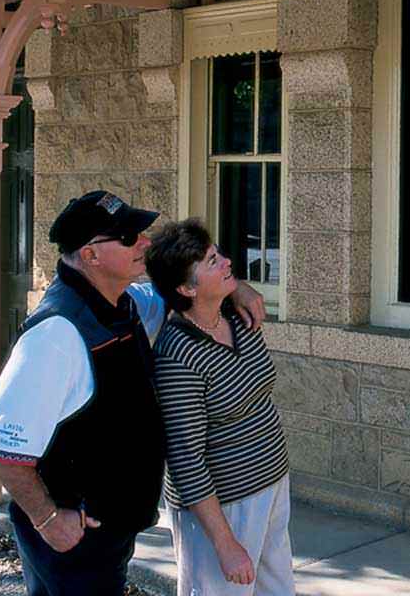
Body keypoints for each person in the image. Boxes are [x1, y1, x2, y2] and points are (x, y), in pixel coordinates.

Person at [0, 190, 266, 596]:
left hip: (110, 531)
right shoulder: (57, 333)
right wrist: (48, 521)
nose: (144, 242)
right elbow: (1, 444)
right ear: (91, 255)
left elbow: (180, 292)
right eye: (129, 237)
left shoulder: (124, 304)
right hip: (75, 538)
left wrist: (237, 288)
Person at [146, 218, 294, 596]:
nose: (227, 261)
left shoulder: (237, 316)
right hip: (224, 506)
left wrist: (236, 289)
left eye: (218, 253)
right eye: (212, 261)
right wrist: (225, 545)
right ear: (186, 287)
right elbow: (185, 458)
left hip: (271, 485)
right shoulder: (178, 355)